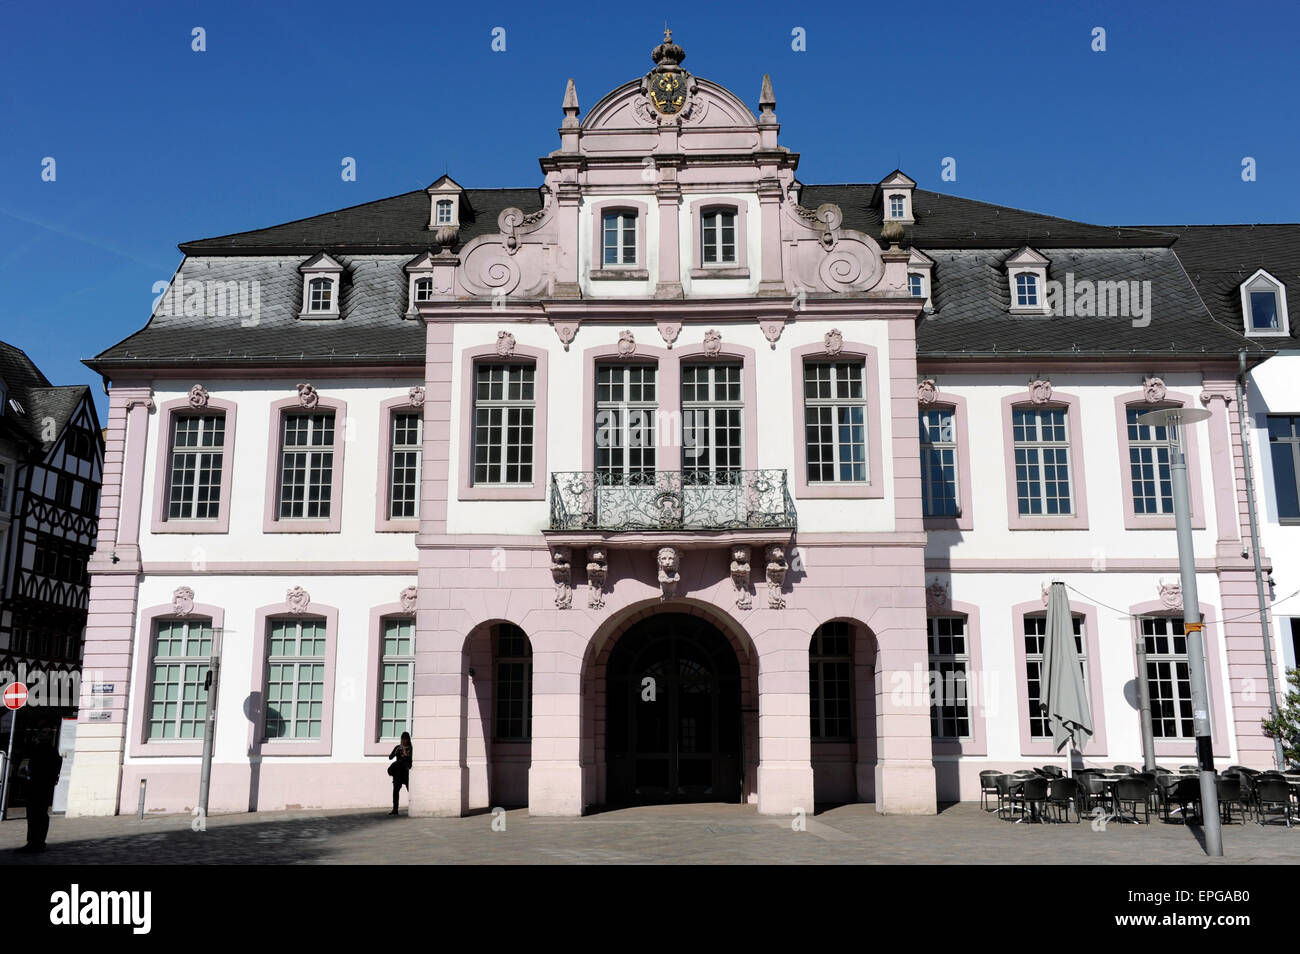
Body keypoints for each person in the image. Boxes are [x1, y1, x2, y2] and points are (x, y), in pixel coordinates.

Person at [17, 728, 62, 853]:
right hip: (41, 787)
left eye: (44, 733)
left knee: (37, 815)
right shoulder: (45, 749)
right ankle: (36, 842)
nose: (40, 735)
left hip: (39, 787)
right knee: (37, 815)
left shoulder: (45, 750)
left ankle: (35, 842)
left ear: (48, 736)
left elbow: (35, 768)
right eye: (41, 732)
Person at [387, 732, 412, 816]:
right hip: (397, 772)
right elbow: (390, 757)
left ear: (408, 740)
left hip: (406, 772)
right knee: (396, 791)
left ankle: (413, 807)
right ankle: (395, 809)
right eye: (403, 739)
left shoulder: (411, 749)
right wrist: (396, 751)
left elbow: (411, 761)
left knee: (411, 790)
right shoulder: (398, 747)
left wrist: (406, 755)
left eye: (406, 739)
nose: (404, 741)